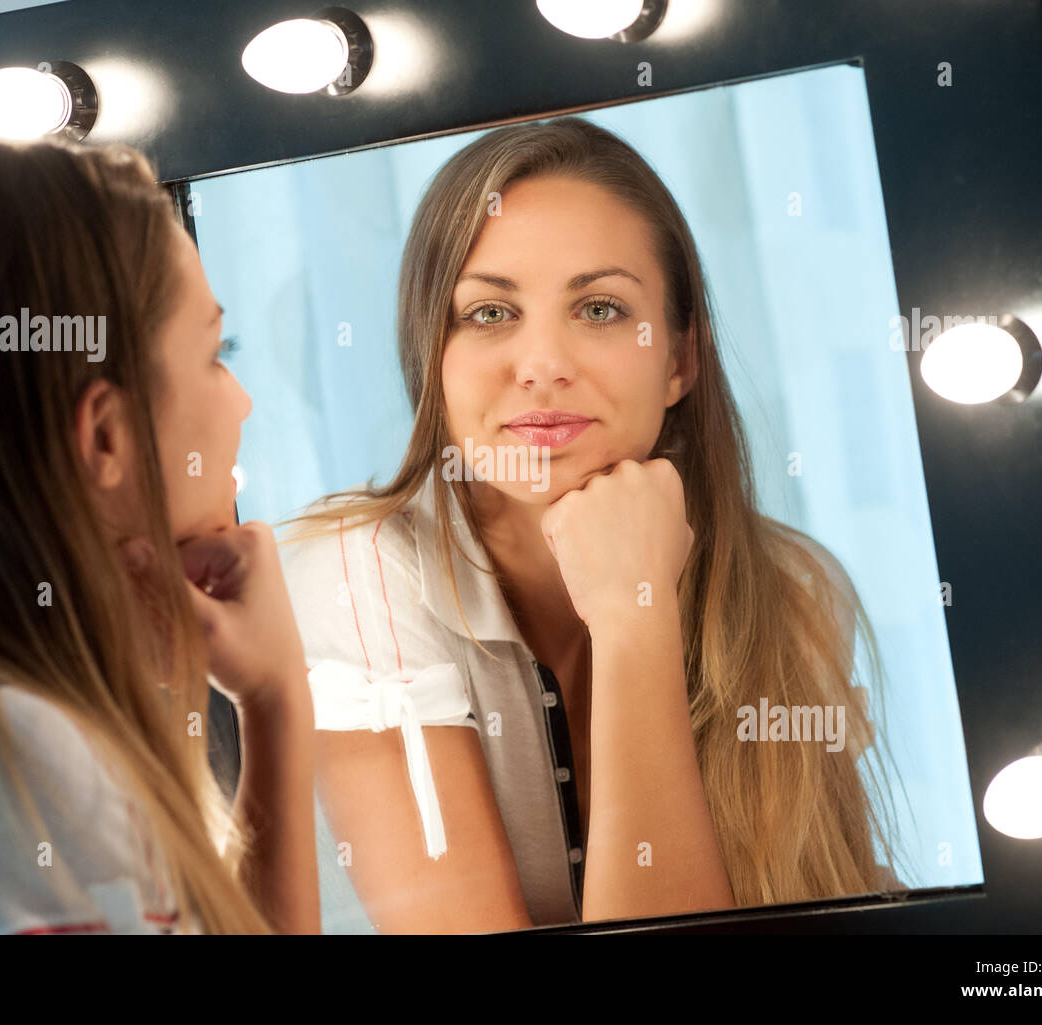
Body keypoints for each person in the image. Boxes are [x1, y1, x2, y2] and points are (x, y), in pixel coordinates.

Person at [278, 116, 904, 933]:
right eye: (491, 313)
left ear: (680, 359)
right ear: (431, 353)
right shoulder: (355, 579)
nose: (542, 364)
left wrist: (632, 608)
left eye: (600, 308)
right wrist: (636, 618)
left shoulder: (791, 585)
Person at [0, 138, 318, 933]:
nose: (240, 404)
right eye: (214, 353)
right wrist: (278, 699)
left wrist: (272, 706)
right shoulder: (8, 758)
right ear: (103, 436)